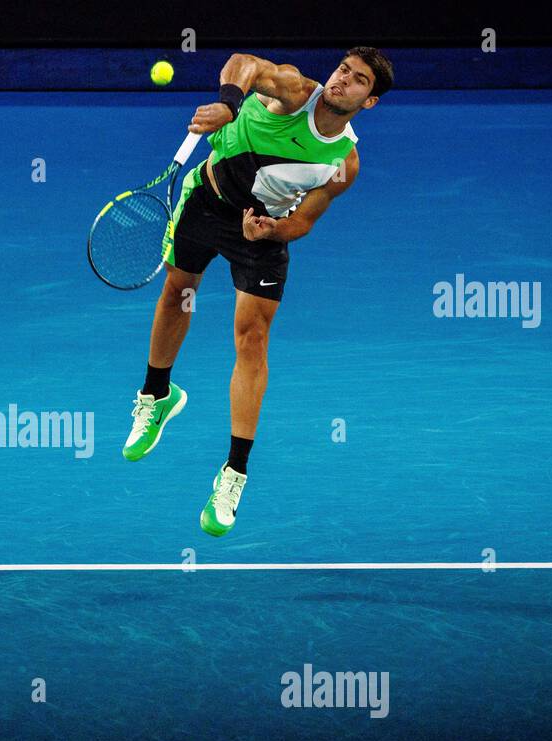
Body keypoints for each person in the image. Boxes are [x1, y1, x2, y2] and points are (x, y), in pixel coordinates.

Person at [123, 47, 393, 536]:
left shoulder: (343, 164)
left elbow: (305, 220)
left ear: (369, 101)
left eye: (357, 81)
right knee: (177, 292)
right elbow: (244, 62)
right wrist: (230, 103)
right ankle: (157, 395)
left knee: (252, 340)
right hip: (207, 201)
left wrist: (271, 232)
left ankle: (233, 474)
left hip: (258, 230)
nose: (341, 81)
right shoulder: (294, 92)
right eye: (342, 70)